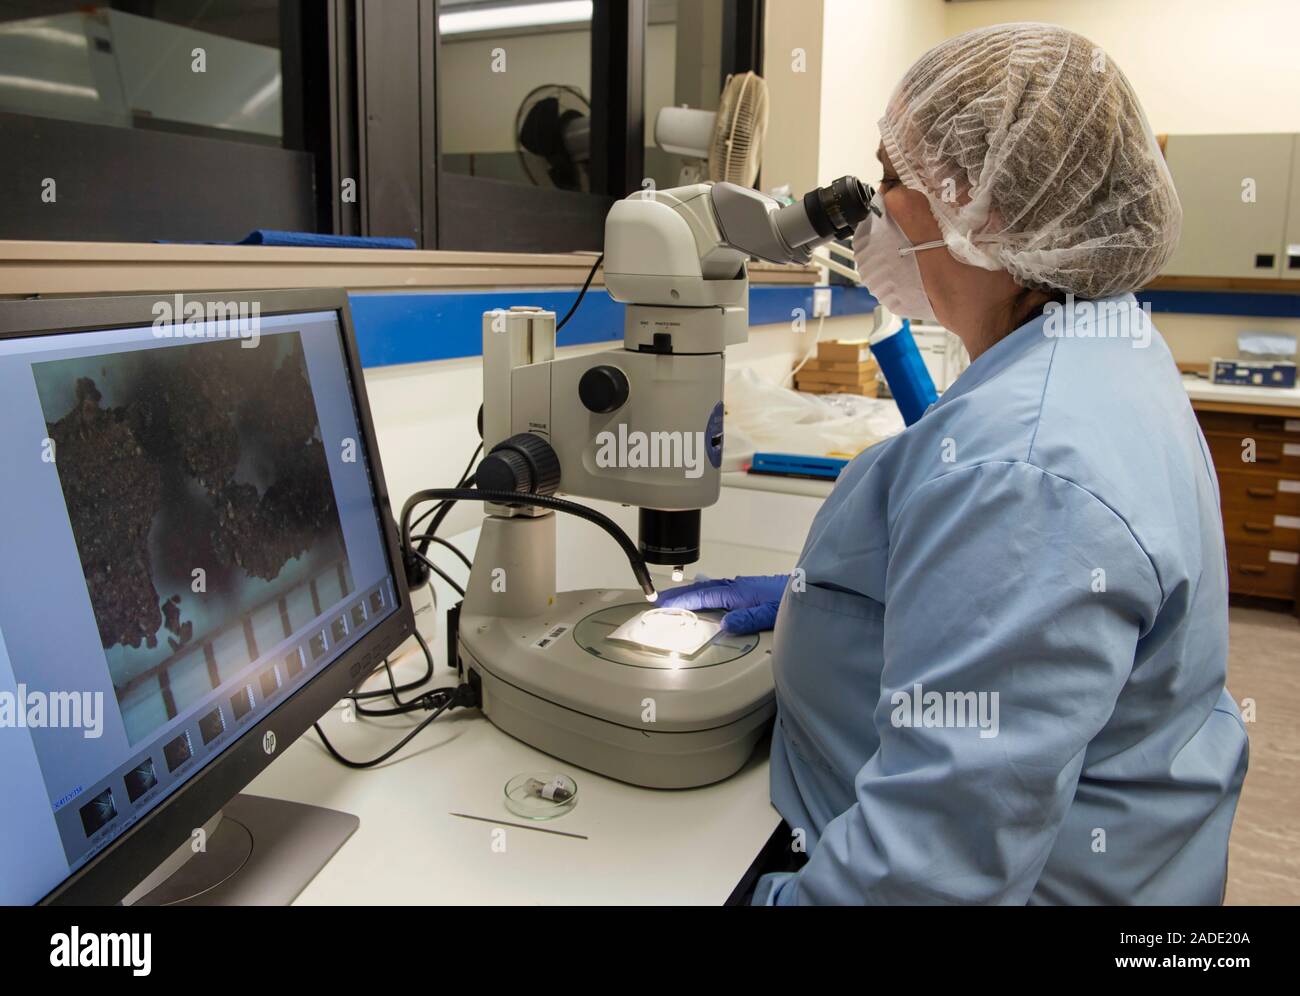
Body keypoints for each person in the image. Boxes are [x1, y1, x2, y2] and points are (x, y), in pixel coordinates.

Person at [660, 22, 1249, 905]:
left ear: (987, 205)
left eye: (892, 180)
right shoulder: (1105, 347)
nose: (871, 209)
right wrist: (848, 609)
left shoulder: (1026, 467)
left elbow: (925, 884)